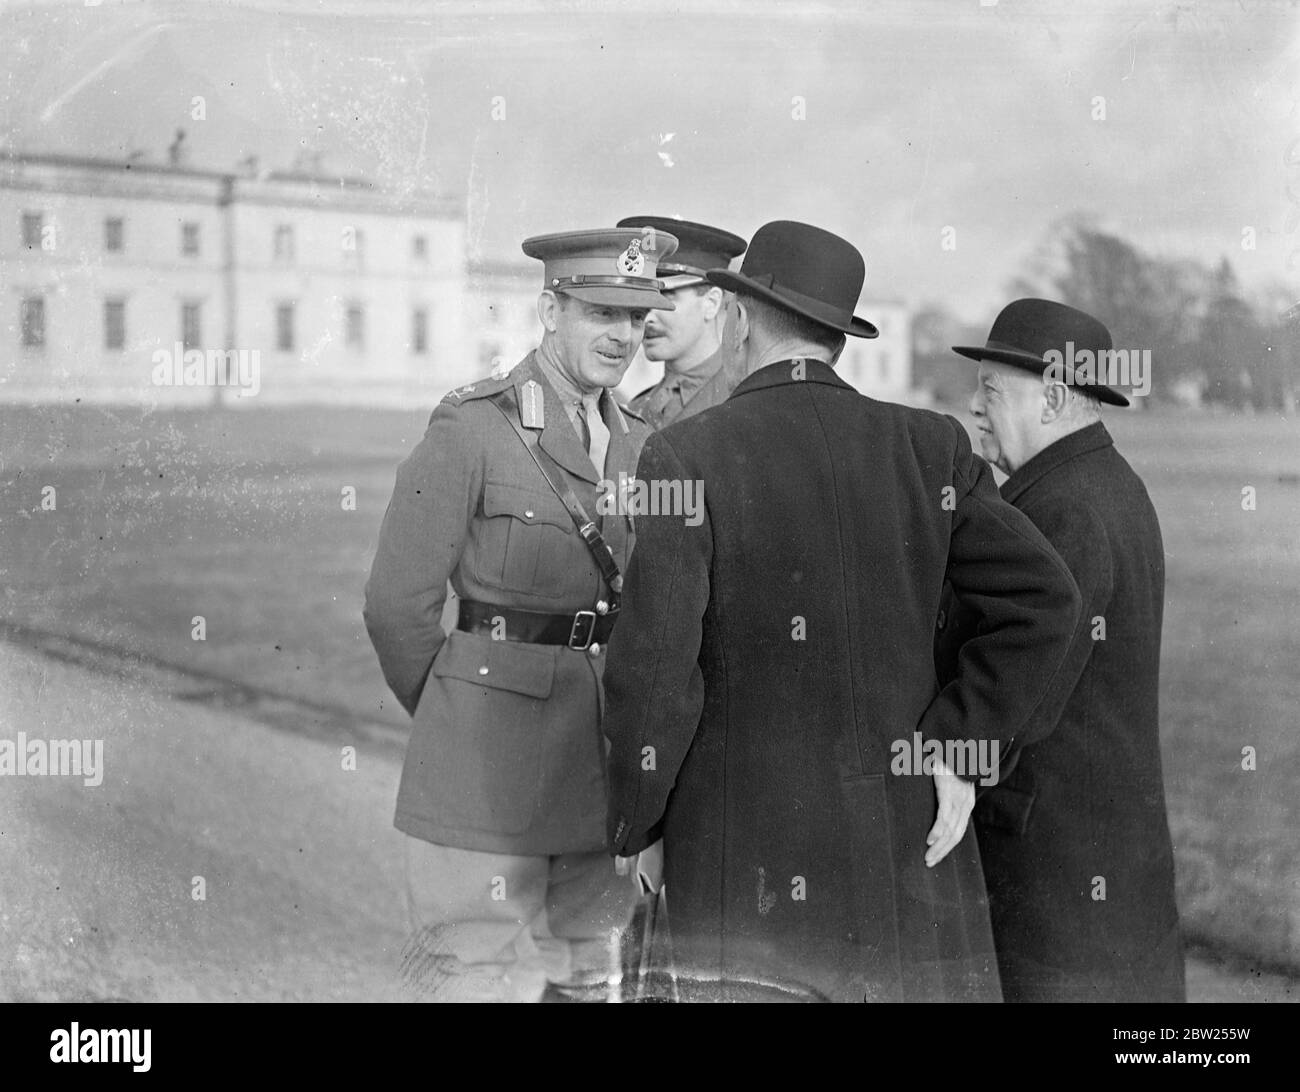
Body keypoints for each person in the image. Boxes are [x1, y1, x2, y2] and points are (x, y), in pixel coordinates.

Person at [601, 220, 1082, 1002]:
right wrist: (962, 747)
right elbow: (1046, 601)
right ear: (837, 338)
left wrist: (642, 825)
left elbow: (655, 670)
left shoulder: (688, 455)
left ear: (744, 317)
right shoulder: (931, 447)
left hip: (740, 865)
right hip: (902, 854)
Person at [363, 226, 679, 1002]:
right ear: (549, 308)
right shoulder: (474, 426)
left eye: (636, 320)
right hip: (486, 758)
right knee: (471, 970)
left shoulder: (644, 444)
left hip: (600, 755)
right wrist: (456, 708)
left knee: (588, 970)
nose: (622, 338)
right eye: (602, 313)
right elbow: (396, 604)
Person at [937, 298, 1185, 1002]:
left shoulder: (1061, 507)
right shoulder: (1104, 483)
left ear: (1050, 397)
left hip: (1059, 877)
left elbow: (1029, 674)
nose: (975, 408)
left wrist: (952, 754)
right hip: (1104, 869)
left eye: (990, 390)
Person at [616, 216, 746, 429]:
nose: (647, 317)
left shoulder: (742, 401)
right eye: (642, 300)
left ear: (711, 303)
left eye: (666, 296)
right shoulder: (634, 408)